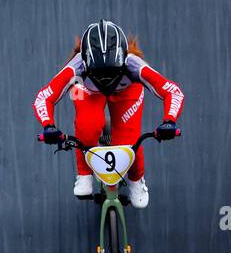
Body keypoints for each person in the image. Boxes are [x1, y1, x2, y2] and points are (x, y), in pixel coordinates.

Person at [34, 20, 184, 209]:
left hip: (127, 91)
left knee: (129, 142)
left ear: (123, 61)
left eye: (111, 73)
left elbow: (173, 91)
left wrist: (169, 121)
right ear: (86, 62)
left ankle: (136, 180)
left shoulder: (134, 65)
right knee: (86, 126)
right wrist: (48, 125)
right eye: (100, 73)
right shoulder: (76, 68)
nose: (106, 80)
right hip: (87, 90)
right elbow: (44, 97)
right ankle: (84, 174)